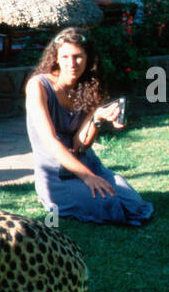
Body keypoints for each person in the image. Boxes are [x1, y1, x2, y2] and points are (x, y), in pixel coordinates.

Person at [24, 28, 153, 226]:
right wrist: (88, 177)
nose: (72, 63)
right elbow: (50, 141)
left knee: (134, 205)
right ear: (56, 58)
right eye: (65, 56)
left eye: (78, 57)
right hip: (56, 176)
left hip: (89, 165)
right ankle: (56, 199)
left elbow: (79, 145)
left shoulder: (90, 86)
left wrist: (97, 119)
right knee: (111, 205)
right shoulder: (38, 86)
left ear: (87, 58)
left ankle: (93, 188)